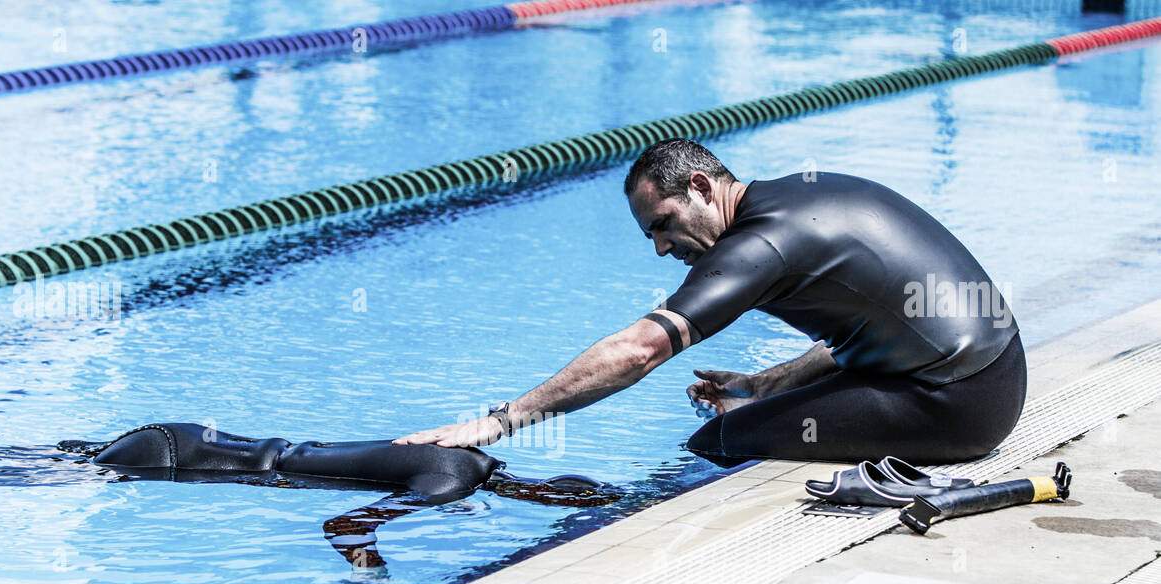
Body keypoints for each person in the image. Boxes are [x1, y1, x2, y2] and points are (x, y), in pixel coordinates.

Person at [394, 138, 1026, 466]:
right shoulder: (796, 198)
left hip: (960, 402)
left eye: (665, 224)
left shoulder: (758, 247)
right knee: (754, 409)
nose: (665, 248)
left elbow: (640, 351)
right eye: (652, 237)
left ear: (700, 186)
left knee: (720, 439)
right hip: (991, 369)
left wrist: (499, 421)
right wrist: (766, 382)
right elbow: (868, 328)